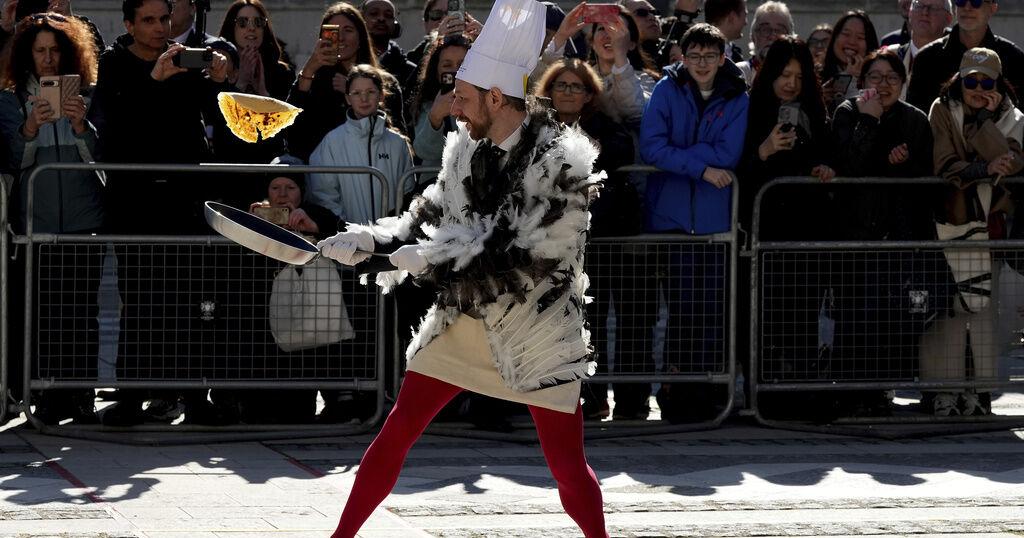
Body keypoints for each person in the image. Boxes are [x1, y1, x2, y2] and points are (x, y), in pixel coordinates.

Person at [317, 1, 607, 535]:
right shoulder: (466, 147)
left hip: (537, 329)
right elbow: (426, 212)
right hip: (467, 317)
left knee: (567, 469)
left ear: (497, 98)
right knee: (398, 430)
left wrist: (426, 257)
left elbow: (517, 253)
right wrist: (372, 235)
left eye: (464, 99)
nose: (454, 109)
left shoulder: (563, 160)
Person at [86, 0, 232, 427]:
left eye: (164, 19)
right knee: (139, 298)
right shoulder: (114, 63)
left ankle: (192, 396)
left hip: (184, 195)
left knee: (189, 298)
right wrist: (154, 80)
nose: (158, 27)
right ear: (129, 23)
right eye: (148, 20)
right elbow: (115, 120)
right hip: (136, 199)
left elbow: (213, 114)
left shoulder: (185, 59)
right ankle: (131, 397)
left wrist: (219, 79)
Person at [640, 23, 748, 422]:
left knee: (712, 310)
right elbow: (651, 146)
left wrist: (681, 156)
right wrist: (701, 167)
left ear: (723, 58)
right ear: (682, 58)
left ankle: (710, 393)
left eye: (710, 56)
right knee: (681, 310)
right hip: (671, 217)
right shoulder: (668, 90)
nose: (702, 64)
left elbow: (730, 152)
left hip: (715, 219)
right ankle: (675, 392)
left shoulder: (737, 95)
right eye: (694, 56)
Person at [0, 12, 102, 426]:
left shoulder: (91, 95)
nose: (47, 59)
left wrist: (81, 126)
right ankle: (40, 392)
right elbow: (9, 160)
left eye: (55, 50)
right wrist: (28, 129)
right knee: (38, 311)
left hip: (82, 217)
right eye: (40, 51)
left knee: (82, 310)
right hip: (33, 220)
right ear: (28, 54)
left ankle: (81, 396)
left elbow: (102, 157)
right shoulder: (9, 98)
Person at [534, 58, 646, 420]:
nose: (567, 92)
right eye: (561, 85)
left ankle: (633, 400)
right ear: (549, 92)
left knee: (629, 317)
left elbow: (621, 152)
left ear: (588, 95)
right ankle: (589, 398)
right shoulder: (536, 129)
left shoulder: (605, 127)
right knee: (580, 320)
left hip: (611, 234)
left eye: (575, 86)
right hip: (559, 241)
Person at [924, 47, 1022, 416]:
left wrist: (983, 122)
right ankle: (942, 392)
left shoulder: (1012, 116)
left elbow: (1011, 163)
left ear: (998, 84)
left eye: (986, 81)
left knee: (983, 309)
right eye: (971, 80)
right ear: (960, 80)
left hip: (991, 222)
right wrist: (982, 168)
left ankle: (980, 392)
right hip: (951, 219)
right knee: (950, 308)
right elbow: (946, 164)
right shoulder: (941, 109)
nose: (978, 88)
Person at [285, 2, 406, 162]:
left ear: (361, 37)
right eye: (332, 32)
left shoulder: (385, 82)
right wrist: (309, 69)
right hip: (322, 174)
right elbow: (291, 133)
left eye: (348, 30)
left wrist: (356, 92)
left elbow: (397, 135)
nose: (340, 37)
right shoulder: (313, 80)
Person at [308, 64, 413, 228]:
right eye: (356, 93)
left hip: (390, 240)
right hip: (348, 242)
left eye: (370, 92)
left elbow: (407, 192)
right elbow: (324, 193)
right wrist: (344, 227)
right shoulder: (332, 141)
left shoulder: (397, 143)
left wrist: (394, 230)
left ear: (381, 96)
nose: (364, 99)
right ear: (348, 98)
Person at [544, 4, 658, 130]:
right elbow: (542, 81)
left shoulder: (645, 80)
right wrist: (561, 36)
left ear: (631, 44)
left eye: (617, 29)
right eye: (602, 29)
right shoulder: (580, 75)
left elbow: (634, 113)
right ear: (592, 42)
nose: (609, 35)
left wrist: (620, 54)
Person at [212, 0, 295, 174]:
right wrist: (240, 84)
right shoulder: (217, 69)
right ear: (232, 28)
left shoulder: (281, 72)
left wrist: (263, 94)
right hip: (230, 166)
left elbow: (286, 129)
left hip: (269, 166)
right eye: (242, 23)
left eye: (258, 22)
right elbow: (219, 128)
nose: (251, 28)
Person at [906, 0, 1024, 115]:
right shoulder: (926, 58)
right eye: (961, 1)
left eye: (976, 2)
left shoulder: (1013, 58)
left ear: (993, 8)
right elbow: (916, 122)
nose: (967, 7)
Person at [410, 34, 470, 174]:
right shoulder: (428, 104)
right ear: (436, 72)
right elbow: (424, 152)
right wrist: (435, 117)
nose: (455, 71)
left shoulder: (488, 100)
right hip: (436, 186)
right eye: (447, 65)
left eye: (462, 65)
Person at [886, 0, 953, 100]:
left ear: (948, 19)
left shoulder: (955, 62)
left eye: (933, 8)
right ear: (910, 13)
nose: (925, 12)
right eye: (919, 5)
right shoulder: (890, 57)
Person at [821, 11, 880, 113]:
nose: (852, 42)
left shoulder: (879, 81)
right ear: (835, 37)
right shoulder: (814, 74)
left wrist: (854, 79)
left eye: (860, 37)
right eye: (846, 34)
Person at [360, 0, 417, 92]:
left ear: (395, 24)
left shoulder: (412, 72)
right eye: (374, 14)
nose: (381, 19)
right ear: (361, 21)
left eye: (388, 15)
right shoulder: (347, 63)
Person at [736, 1, 793, 86]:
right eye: (765, 29)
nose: (772, 36)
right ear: (753, 37)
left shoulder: (797, 78)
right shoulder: (739, 73)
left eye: (779, 30)